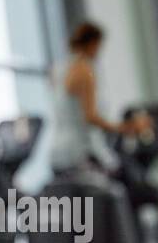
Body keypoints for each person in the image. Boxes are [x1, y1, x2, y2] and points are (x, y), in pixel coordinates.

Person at [48, 21, 141, 176]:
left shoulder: (58, 70)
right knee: (130, 183)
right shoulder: (85, 70)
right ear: (92, 43)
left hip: (58, 152)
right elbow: (90, 117)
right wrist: (124, 128)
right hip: (80, 153)